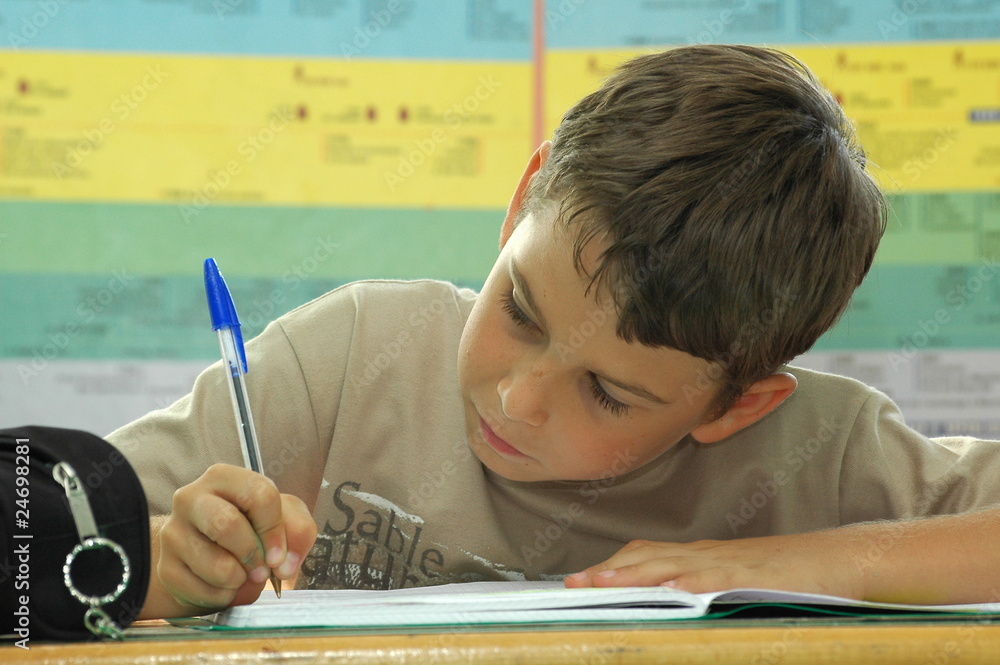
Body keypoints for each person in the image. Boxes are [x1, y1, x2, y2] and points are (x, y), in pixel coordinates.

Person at [108, 44, 1000, 619]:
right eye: (520, 311)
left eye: (609, 391)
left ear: (737, 406)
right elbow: (24, 523)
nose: (516, 398)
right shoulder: (349, 360)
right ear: (523, 199)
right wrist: (160, 565)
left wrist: (786, 564)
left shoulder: (823, 453)